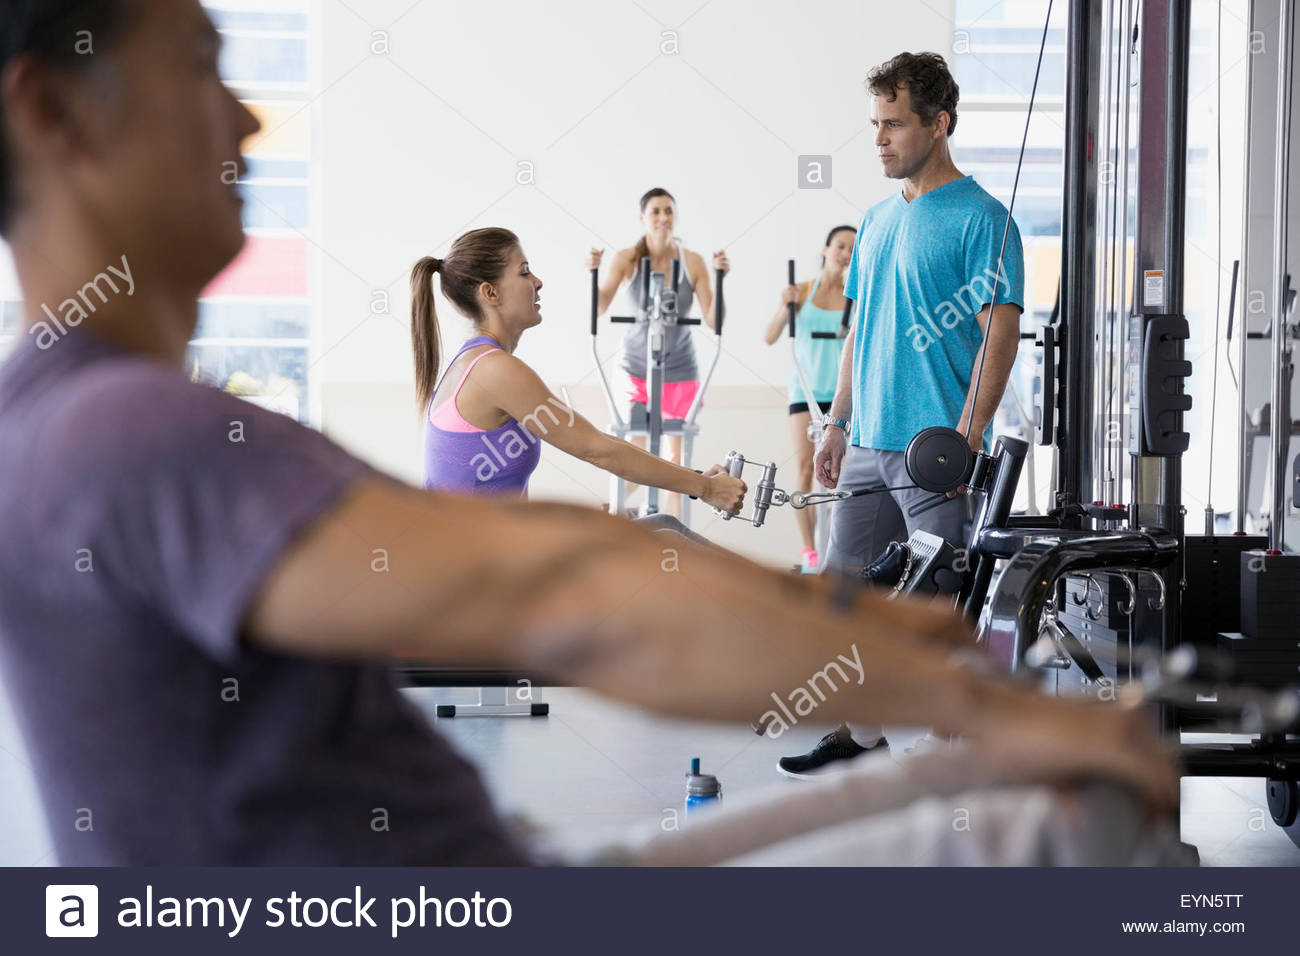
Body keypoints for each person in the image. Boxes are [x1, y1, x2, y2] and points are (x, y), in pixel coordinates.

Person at [0, 0, 1176, 867]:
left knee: (1010, 789)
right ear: (54, 113)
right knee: (1079, 822)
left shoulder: (83, 415)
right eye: (206, 68)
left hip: (502, 861)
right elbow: (578, 582)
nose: (247, 116)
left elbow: (582, 547)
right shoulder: (125, 431)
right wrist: (972, 689)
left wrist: (882, 625)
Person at [778, 51, 1027, 779]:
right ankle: (862, 735)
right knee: (843, 601)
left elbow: (999, 335)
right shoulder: (878, 218)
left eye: (894, 124)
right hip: (866, 448)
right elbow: (862, 331)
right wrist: (835, 423)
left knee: (934, 617)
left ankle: (951, 764)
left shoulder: (984, 221)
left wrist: (965, 440)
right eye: (875, 125)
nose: (879, 140)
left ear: (938, 123)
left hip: (931, 461)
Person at [410, 227, 744, 530]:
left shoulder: (473, 362)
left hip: (485, 554)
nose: (537, 282)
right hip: (478, 571)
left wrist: (699, 480)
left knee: (662, 528)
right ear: (491, 293)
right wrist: (707, 488)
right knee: (666, 535)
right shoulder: (495, 370)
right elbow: (598, 450)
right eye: (524, 272)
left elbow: (600, 448)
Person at [586, 188, 729, 518]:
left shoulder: (691, 261)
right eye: (656, 211)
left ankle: (671, 534)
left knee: (674, 461)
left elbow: (713, 318)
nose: (663, 217)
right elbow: (601, 305)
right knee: (636, 446)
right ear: (642, 218)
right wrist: (592, 272)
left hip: (679, 366)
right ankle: (613, 512)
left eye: (669, 211)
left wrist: (720, 279)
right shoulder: (628, 258)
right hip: (635, 365)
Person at [762, 226, 856, 572]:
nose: (845, 253)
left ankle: (836, 551)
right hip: (805, 391)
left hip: (842, 397)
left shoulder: (856, 295)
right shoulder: (801, 290)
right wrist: (783, 306)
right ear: (826, 248)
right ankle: (809, 553)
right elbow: (770, 336)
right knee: (805, 468)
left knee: (842, 475)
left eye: (852, 248)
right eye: (840, 246)